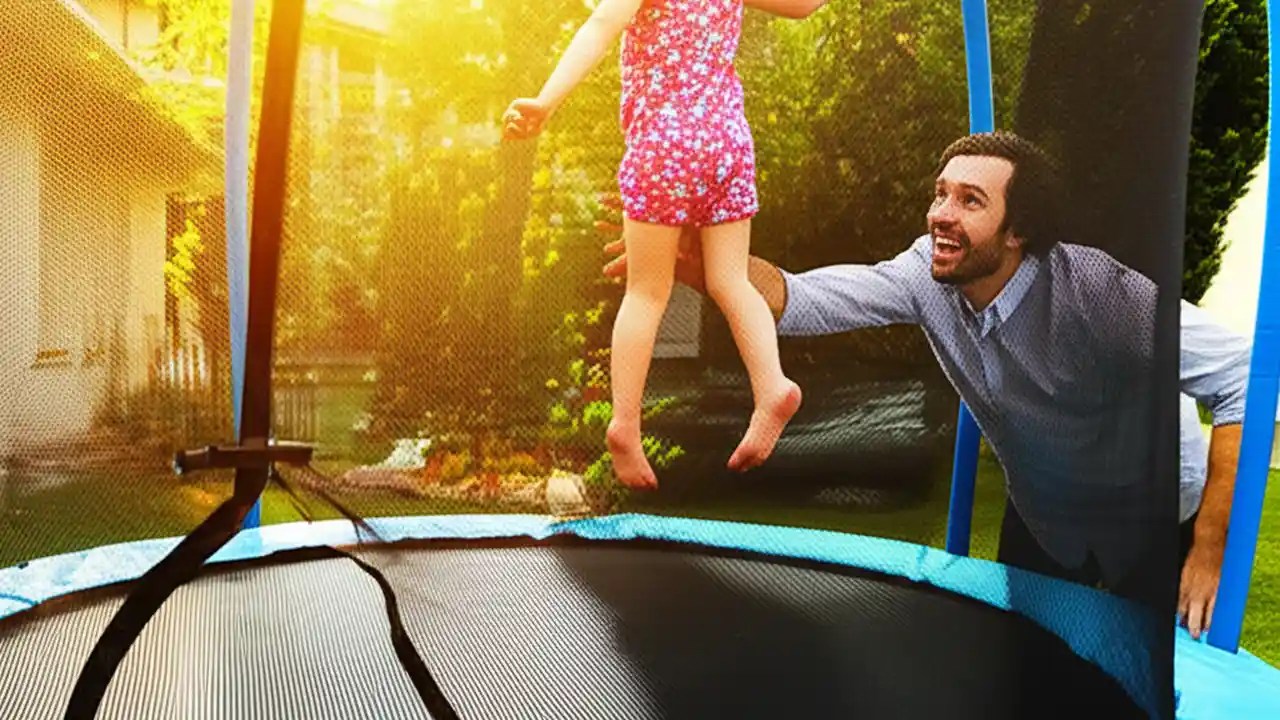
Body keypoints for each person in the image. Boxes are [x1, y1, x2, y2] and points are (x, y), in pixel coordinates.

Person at [601, 130, 1250, 637]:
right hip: (1048, 515)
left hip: (1159, 516)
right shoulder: (925, 274)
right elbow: (802, 300)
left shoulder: (1101, 296)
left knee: (1158, 685)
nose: (942, 213)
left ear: (1018, 231)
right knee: (1033, 670)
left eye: (971, 201)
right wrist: (707, 267)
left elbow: (1243, 377)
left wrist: (1212, 550)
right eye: (941, 192)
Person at [499, 0, 828, 489]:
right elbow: (803, 6)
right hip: (727, 142)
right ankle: (772, 385)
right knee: (731, 280)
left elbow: (601, 25)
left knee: (647, 292)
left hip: (664, 143)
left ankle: (625, 425)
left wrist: (545, 102)